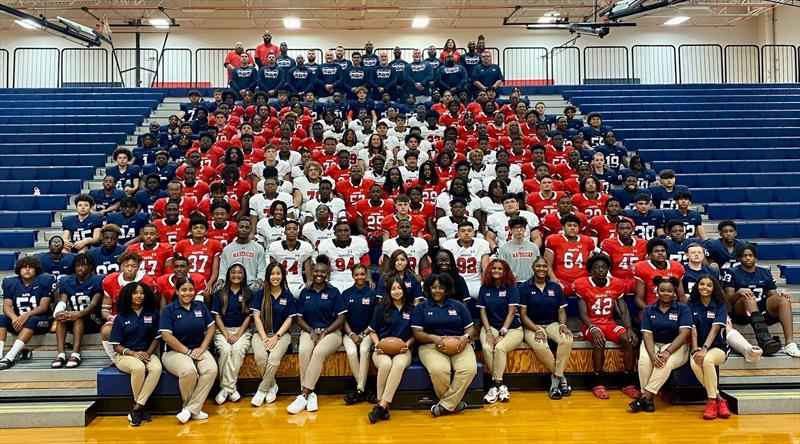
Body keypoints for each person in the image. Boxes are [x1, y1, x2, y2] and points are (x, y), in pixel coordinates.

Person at [574, 254, 639, 400]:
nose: (600, 270)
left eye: (603, 267)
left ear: (608, 269)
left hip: (609, 323)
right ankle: (598, 383)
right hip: (590, 325)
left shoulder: (616, 283)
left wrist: (628, 328)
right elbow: (583, 313)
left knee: (629, 340)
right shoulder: (582, 284)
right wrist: (592, 328)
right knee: (599, 340)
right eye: (596, 267)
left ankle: (627, 383)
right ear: (590, 270)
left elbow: (623, 310)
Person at [288, 256, 347, 414]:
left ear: (327, 273)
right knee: (303, 351)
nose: (319, 274)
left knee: (318, 352)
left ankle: (303, 394)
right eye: (316, 271)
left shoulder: (334, 292)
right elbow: (299, 318)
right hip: (309, 330)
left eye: (323, 271)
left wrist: (326, 332)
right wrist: (310, 331)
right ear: (311, 272)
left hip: (331, 332)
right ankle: (311, 394)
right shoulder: (305, 292)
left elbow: (341, 317)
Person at [412, 273, 476, 417]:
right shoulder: (422, 307)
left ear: (447, 289)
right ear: (428, 289)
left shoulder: (458, 305)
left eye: (441, 288)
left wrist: (466, 338)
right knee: (438, 370)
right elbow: (417, 333)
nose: (437, 291)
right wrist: (433, 338)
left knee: (469, 369)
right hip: (430, 345)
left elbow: (470, 328)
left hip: (459, 343)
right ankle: (453, 404)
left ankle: (445, 405)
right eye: (434, 288)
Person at [159, 276, 218, 424]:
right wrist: (187, 352)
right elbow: (166, 336)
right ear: (177, 291)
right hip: (175, 352)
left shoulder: (200, 306)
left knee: (211, 369)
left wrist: (203, 347)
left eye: (191, 290)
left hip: (198, 349)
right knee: (189, 371)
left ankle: (190, 409)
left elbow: (211, 327)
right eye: (184, 290)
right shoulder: (168, 310)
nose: (188, 293)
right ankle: (190, 407)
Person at [722, 244, 798, 357]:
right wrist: (739, 292)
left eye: (750, 255)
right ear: (739, 258)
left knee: (783, 300)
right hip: (740, 312)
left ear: (755, 258)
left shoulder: (765, 272)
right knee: (748, 297)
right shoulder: (732, 272)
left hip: (760, 309)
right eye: (744, 256)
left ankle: (790, 344)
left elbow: (772, 296)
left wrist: (781, 296)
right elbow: (728, 300)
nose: (748, 258)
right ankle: (764, 339)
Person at [630, 277, 691, 413]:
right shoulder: (649, 309)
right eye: (662, 290)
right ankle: (649, 399)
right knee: (644, 361)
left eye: (669, 291)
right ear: (657, 291)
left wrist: (667, 352)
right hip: (653, 343)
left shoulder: (683, 309)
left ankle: (645, 396)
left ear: (674, 292)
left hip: (675, 345)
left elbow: (684, 334)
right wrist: (652, 354)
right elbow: (647, 334)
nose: (666, 293)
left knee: (665, 362)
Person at [519, 257, 573, 399]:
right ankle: (562, 380)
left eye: (544, 266)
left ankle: (555, 380)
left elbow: (561, 310)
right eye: (538, 266)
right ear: (533, 268)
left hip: (552, 324)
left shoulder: (555, 287)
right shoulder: (524, 287)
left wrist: (562, 324)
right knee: (541, 346)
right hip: (532, 326)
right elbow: (523, 316)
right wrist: (537, 330)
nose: (541, 269)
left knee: (567, 339)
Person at [109, 282, 162, 426]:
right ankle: (141, 408)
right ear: (128, 295)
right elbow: (116, 346)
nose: (139, 296)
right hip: (125, 355)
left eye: (142, 293)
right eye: (135, 293)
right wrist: (133, 353)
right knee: (138, 368)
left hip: (147, 353)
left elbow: (156, 339)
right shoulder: (121, 317)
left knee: (156, 369)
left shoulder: (153, 314)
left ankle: (137, 408)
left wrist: (148, 353)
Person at [367, 276, 415, 423]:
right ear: (389, 291)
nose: (396, 291)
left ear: (404, 290)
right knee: (386, 364)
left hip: (403, 349)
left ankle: (381, 405)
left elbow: (415, 334)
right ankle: (384, 406)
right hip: (382, 348)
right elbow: (372, 331)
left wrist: (407, 344)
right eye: (393, 289)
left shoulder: (412, 309)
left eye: (399, 288)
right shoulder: (381, 308)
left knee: (398, 364)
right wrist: (377, 345)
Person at [250, 262, 297, 406]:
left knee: (274, 359)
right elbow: (256, 317)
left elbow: (290, 319)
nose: (275, 277)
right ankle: (272, 386)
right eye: (272, 274)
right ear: (267, 276)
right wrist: (264, 337)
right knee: (260, 356)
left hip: (282, 335)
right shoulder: (260, 294)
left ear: (282, 276)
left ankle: (262, 389)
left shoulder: (287, 296)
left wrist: (276, 337)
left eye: (278, 274)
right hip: (261, 333)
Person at [477, 259, 522, 404]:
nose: (496, 271)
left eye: (499, 269)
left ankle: (495, 385)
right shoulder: (484, 288)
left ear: (505, 271)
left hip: (512, 328)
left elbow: (511, 313)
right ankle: (500, 385)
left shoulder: (512, 288)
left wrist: (502, 333)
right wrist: (489, 331)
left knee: (500, 347)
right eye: (493, 268)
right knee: (486, 347)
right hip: (491, 326)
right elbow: (482, 312)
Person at [688, 275, 732, 420]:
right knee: (695, 364)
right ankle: (720, 399)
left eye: (709, 285)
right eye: (702, 284)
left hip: (718, 347)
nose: (704, 288)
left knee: (707, 361)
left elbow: (715, 329)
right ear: (697, 286)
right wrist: (695, 349)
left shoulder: (720, 305)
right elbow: (692, 329)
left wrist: (704, 349)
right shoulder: (691, 304)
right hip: (698, 346)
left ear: (714, 288)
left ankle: (711, 401)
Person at [0, 257, 55, 370]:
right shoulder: (10, 283)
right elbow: (6, 306)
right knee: (2, 319)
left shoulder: (44, 280)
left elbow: (44, 307)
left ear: (36, 269)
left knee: (32, 319)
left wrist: (25, 316)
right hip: (18, 322)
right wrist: (14, 317)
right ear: (19, 269)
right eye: (24, 267)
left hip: (41, 321)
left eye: (31, 267)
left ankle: (10, 356)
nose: (27, 269)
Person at [52, 254, 104, 369]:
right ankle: (60, 354)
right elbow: (63, 300)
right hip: (75, 317)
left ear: (90, 266)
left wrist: (79, 314)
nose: (79, 268)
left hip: (93, 319)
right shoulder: (67, 280)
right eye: (77, 266)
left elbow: (94, 304)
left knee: (77, 318)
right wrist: (58, 313)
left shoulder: (97, 280)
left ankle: (75, 354)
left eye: (83, 265)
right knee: (62, 318)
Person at [211, 264, 252, 405]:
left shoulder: (248, 293)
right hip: (223, 330)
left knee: (237, 350)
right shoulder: (220, 293)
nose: (236, 275)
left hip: (242, 331)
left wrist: (238, 334)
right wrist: (226, 334)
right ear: (228, 274)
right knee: (225, 350)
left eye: (240, 272)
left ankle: (226, 388)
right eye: (233, 272)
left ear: (244, 275)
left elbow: (248, 317)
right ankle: (231, 389)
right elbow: (217, 317)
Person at [342, 264, 379, 405]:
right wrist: (351, 334)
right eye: (357, 274)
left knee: (364, 350)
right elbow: (343, 319)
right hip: (349, 333)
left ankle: (359, 390)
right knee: (351, 353)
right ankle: (364, 390)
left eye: (362, 274)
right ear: (352, 276)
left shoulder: (372, 294)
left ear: (366, 275)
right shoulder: (346, 294)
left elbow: (375, 319)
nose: (360, 277)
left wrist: (364, 334)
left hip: (368, 332)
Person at [544, 214, 596, 296]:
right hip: (562, 279)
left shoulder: (587, 241)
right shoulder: (553, 240)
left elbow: (592, 264)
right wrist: (553, 278)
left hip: (582, 280)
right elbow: (547, 264)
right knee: (556, 290)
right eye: (569, 225)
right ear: (563, 227)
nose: (572, 228)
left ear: (579, 228)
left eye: (575, 226)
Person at [441, 221, 491, 300]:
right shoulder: (448, 245)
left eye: (469, 230)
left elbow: (486, 268)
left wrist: (485, 284)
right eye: (463, 231)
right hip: (457, 281)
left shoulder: (482, 244)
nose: (466, 233)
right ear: (458, 233)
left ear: (474, 233)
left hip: (476, 281)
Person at [317, 222, 370, 293]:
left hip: (355, 279)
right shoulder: (325, 245)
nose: (343, 233)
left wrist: (369, 280)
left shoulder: (359, 243)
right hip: (335, 279)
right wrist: (325, 282)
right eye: (339, 231)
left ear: (350, 232)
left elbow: (366, 264)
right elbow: (324, 267)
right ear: (334, 233)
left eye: (346, 230)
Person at [634, 238, 686, 310]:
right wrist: (649, 312)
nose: (660, 253)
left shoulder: (676, 267)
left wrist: (683, 311)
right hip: (652, 308)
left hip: (673, 309)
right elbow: (638, 299)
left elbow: (681, 296)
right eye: (656, 251)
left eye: (663, 251)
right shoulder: (642, 268)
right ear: (650, 255)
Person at [217, 219, 266, 291]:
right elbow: (223, 271)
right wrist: (220, 279)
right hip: (232, 283)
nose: (244, 230)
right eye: (241, 227)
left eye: (247, 227)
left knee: (260, 288)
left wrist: (260, 278)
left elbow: (262, 269)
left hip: (251, 283)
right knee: (218, 289)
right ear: (236, 229)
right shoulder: (227, 249)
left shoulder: (258, 248)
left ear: (251, 230)